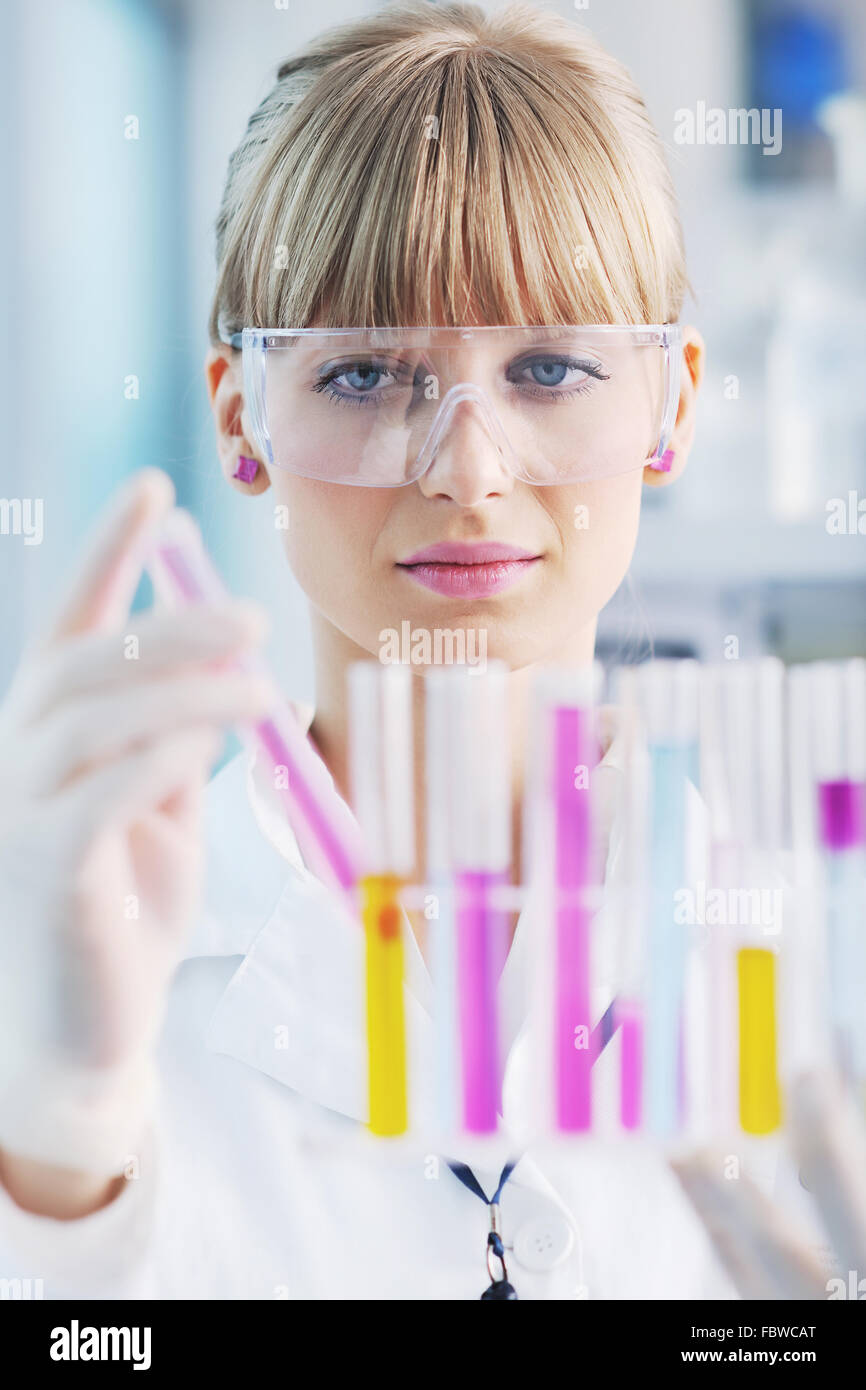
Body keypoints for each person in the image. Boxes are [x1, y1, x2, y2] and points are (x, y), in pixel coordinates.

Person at [0, 0, 858, 1301]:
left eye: (551, 369)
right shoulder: (86, 952)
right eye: (364, 376)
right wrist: (59, 1143)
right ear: (243, 419)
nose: (466, 469)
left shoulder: (809, 927)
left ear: (671, 407)